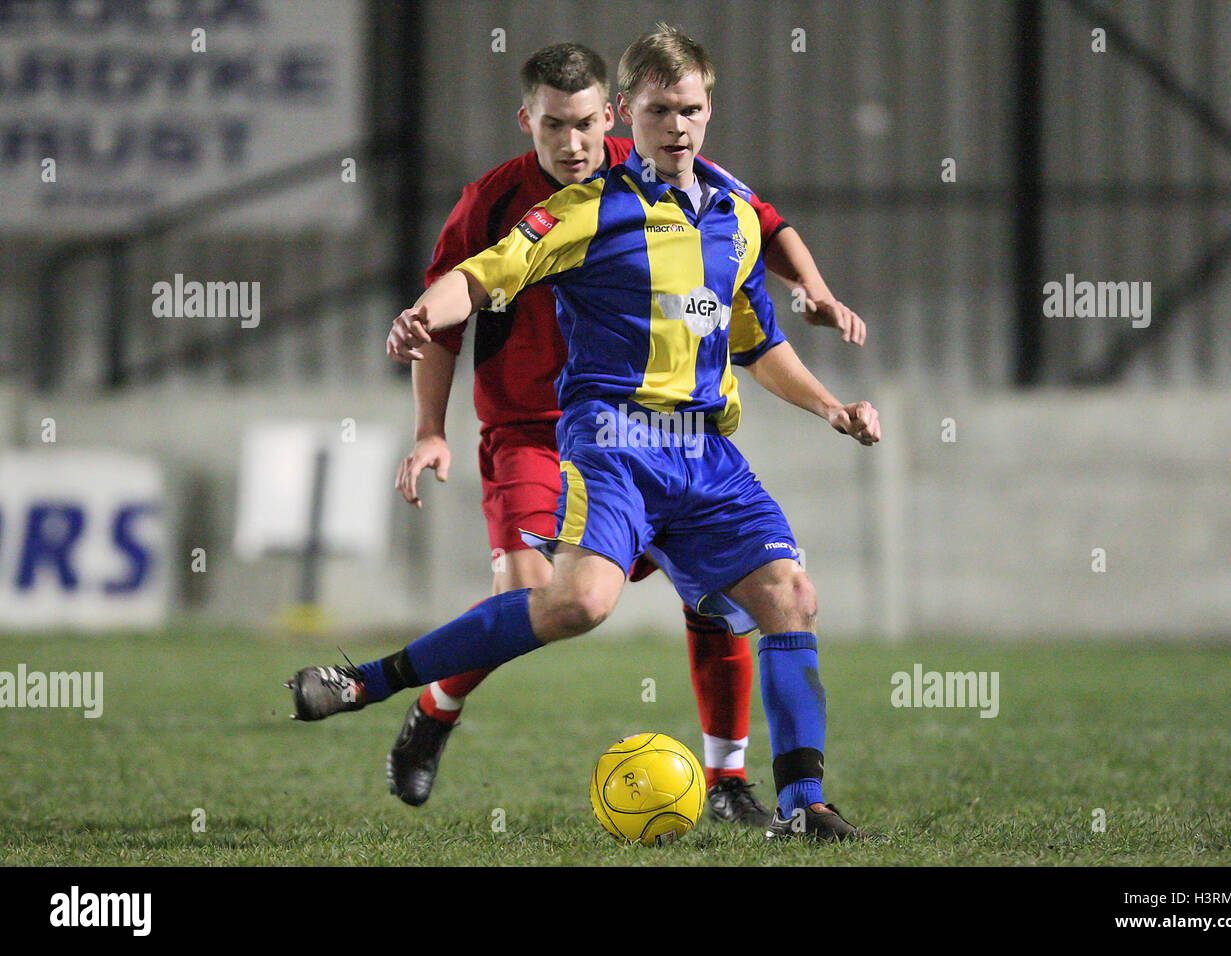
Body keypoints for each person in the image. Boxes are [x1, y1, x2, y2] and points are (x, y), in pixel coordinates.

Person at [288, 24, 881, 841]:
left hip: (706, 453)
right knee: (573, 602)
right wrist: (425, 316)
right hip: (609, 442)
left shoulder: (732, 213)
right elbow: (481, 274)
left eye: (693, 109)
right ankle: (375, 683)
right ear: (627, 113)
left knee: (788, 596)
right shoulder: (583, 209)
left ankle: (797, 803)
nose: (678, 125)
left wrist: (832, 406)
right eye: (662, 110)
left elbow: (754, 340)